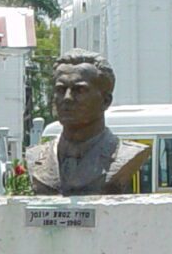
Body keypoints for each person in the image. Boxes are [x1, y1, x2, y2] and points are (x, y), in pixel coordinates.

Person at [25, 53, 149, 195]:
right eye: (60, 90)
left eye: (80, 90)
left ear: (106, 100)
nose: (67, 98)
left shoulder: (126, 155)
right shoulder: (36, 155)